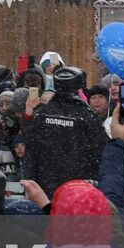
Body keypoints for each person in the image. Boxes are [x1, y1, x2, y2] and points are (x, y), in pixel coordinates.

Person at [22, 66, 105, 196]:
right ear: (79, 86)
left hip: (45, 188)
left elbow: (30, 150)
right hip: (76, 189)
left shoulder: (42, 113)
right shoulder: (87, 115)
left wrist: (31, 181)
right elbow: (99, 151)